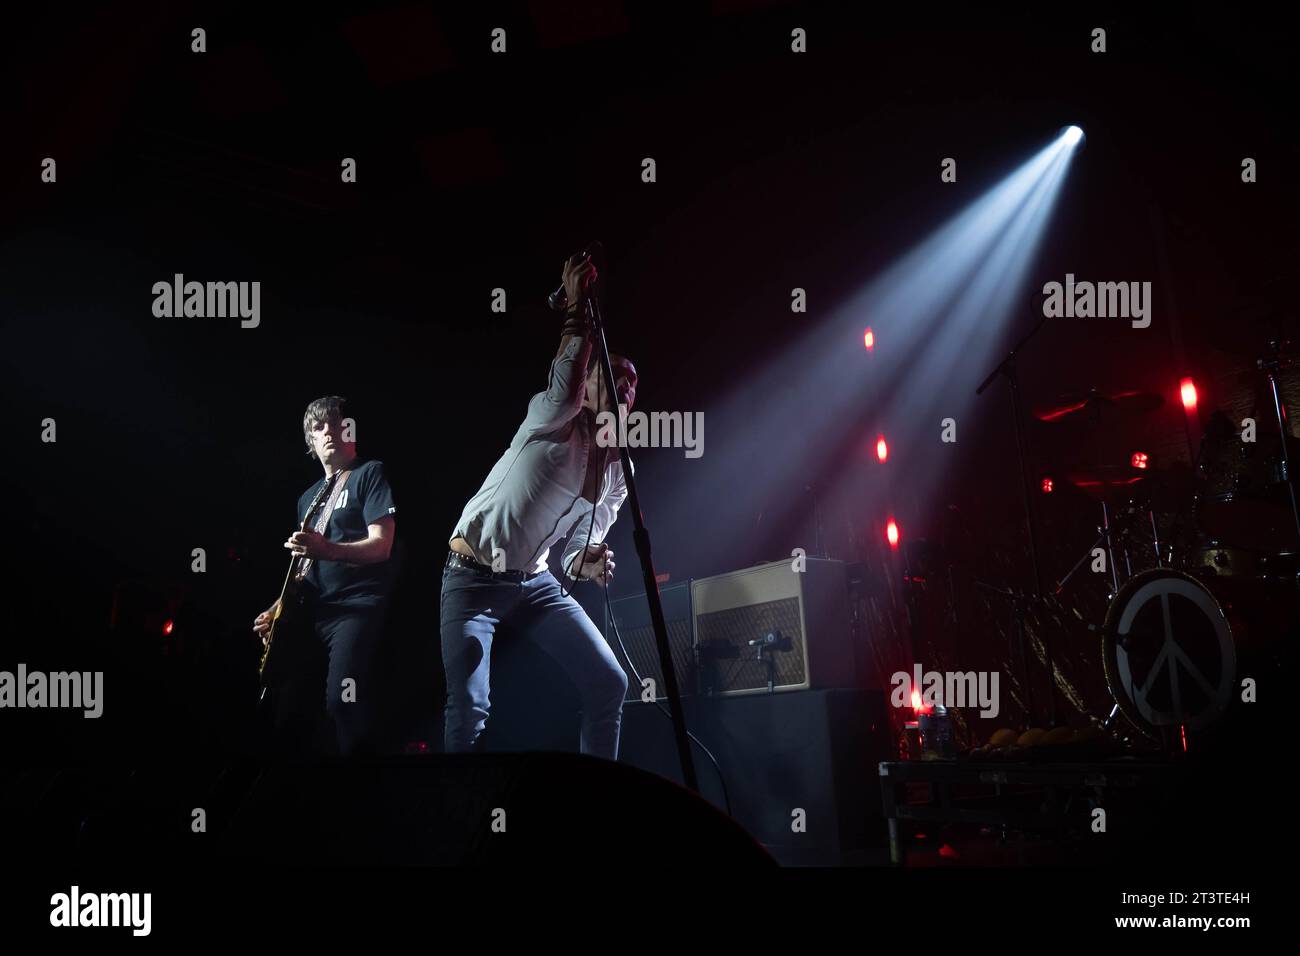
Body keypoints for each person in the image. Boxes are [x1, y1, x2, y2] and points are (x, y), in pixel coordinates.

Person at [441, 251, 638, 759]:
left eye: (633, 386)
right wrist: (578, 312)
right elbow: (568, 373)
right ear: (590, 385)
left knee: (608, 684)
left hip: (534, 582)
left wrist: (588, 558)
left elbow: (579, 547)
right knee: (470, 710)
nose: (624, 388)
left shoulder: (618, 471)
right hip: (473, 576)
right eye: (612, 377)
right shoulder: (554, 415)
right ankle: (451, 818)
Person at [253, 396, 398, 756]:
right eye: (319, 427)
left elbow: (382, 547)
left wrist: (328, 549)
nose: (329, 431)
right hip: (312, 612)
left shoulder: (370, 473)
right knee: (287, 710)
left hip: (355, 607)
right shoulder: (307, 499)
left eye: (336, 424)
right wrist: (277, 608)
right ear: (311, 442)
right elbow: (305, 568)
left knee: (342, 702)